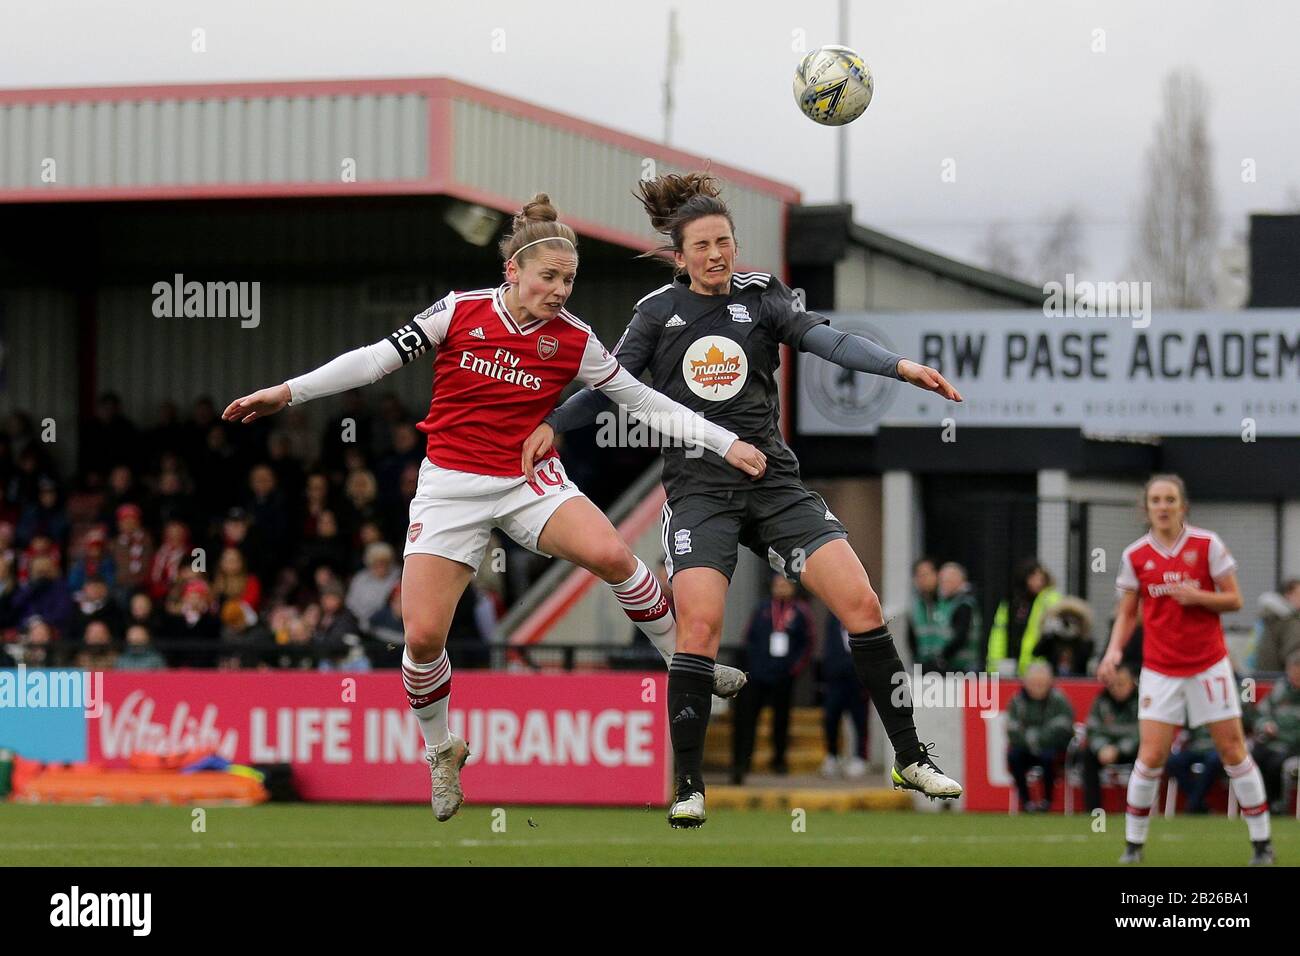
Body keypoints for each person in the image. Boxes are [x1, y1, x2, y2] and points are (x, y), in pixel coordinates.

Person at [223, 194, 765, 822]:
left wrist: (724, 441)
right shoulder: (459, 311)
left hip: (526, 478)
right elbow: (373, 361)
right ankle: (441, 750)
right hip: (451, 484)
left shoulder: (574, 339)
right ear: (514, 272)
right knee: (422, 636)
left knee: (613, 553)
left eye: (569, 279)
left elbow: (641, 401)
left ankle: (685, 664)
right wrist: (287, 392)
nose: (560, 290)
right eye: (549, 277)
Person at [525, 171, 963, 827]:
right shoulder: (655, 313)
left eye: (724, 241)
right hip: (702, 490)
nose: (716, 254)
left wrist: (897, 367)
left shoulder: (762, 297)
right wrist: (553, 423)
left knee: (863, 604)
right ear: (680, 255)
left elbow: (827, 339)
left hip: (775, 483)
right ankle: (689, 784)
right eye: (701, 245)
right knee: (699, 627)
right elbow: (608, 385)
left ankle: (909, 756)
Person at [1099, 474, 1275, 865]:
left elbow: (1235, 600)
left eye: (1170, 499)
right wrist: (1113, 651)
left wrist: (1198, 596)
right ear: (1146, 507)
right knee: (1151, 755)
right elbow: (1128, 613)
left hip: (1208, 665)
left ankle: (1262, 844)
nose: (1163, 506)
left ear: (1183, 505)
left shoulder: (1207, 545)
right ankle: (1133, 846)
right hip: (1161, 669)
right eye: (1156, 500)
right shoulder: (1135, 555)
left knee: (1232, 750)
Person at [730, 574, 812, 783]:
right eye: (777, 584)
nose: (781, 588)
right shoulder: (762, 609)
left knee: (781, 720)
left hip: (783, 675)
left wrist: (793, 669)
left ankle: (779, 760)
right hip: (757, 674)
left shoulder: (800, 612)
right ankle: (741, 763)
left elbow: (807, 643)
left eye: (785, 584)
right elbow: (749, 638)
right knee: (747, 718)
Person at [1005, 661, 1075, 812]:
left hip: (1051, 749)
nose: (1038, 687)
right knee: (1014, 755)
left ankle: (1047, 801)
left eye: (1041, 683)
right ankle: (1026, 802)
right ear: (1026, 682)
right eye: (1034, 683)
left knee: (1048, 757)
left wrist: (1038, 738)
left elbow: (1064, 727)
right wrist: (1030, 741)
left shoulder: (1059, 700)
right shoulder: (1017, 701)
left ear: (1050, 682)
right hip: (1025, 748)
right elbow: (1012, 729)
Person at [986, 558, 1060, 676]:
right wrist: (995, 663)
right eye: (1033, 577)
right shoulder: (1011, 603)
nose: (1038, 582)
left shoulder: (1049, 599)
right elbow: (999, 633)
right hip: (1009, 666)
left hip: (1037, 667)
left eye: (1040, 577)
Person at [1081, 663, 1139, 811]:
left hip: (1131, 750)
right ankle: (1094, 810)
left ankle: (1137, 808)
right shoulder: (1101, 701)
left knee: (1145, 759)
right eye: (1112, 685)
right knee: (1087, 756)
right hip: (1105, 750)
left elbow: (1141, 732)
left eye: (1121, 684)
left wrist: (1118, 749)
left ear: (1132, 682)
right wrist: (1102, 747)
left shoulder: (1141, 701)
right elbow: (1092, 729)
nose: (1116, 689)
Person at [819, 612, 869, 779]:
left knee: (860, 719)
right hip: (836, 678)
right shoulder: (833, 617)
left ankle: (860, 757)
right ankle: (832, 755)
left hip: (858, 677)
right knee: (831, 717)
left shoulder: (862, 614)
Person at [1253, 649, 1300, 811]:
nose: (1296, 676)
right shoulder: (1279, 691)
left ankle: (1276, 804)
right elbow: (1261, 713)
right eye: (1294, 671)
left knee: (1276, 763)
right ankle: (1256, 803)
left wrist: (1286, 735)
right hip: (1273, 743)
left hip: (1293, 746)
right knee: (1253, 758)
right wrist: (1266, 725)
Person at [936, 561, 983, 673]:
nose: (942, 585)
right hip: (955, 666)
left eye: (946, 581)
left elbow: (960, 636)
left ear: (958, 581)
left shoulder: (964, 605)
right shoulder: (949, 603)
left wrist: (942, 656)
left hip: (962, 667)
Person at [908, 558, 945, 673]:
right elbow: (911, 640)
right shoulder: (914, 607)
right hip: (924, 667)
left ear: (937, 575)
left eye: (926, 574)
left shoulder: (948, 603)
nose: (923, 579)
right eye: (919, 576)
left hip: (951, 668)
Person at [1255, 579, 1300, 673]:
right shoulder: (1289, 620)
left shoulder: (1269, 616)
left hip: (1262, 674)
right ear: (1288, 595)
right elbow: (1293, 653)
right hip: (1281, 678)